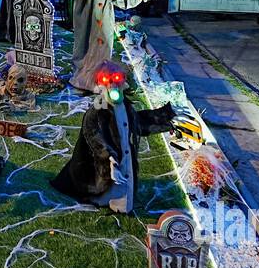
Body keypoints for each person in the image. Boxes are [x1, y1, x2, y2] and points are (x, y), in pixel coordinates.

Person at [51, 61, 180, 214]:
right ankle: (108, 200)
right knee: (110, 186)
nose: (112, 86)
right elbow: (92, 134)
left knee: (124, 188)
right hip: (109, 162)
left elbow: (137, 123)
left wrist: (166, 117)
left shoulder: (125, 106)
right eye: (107, 81)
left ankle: (121, 203)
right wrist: (109, 158)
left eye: (116, 79)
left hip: (124, 157)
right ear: (100, 84)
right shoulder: (97, 111)